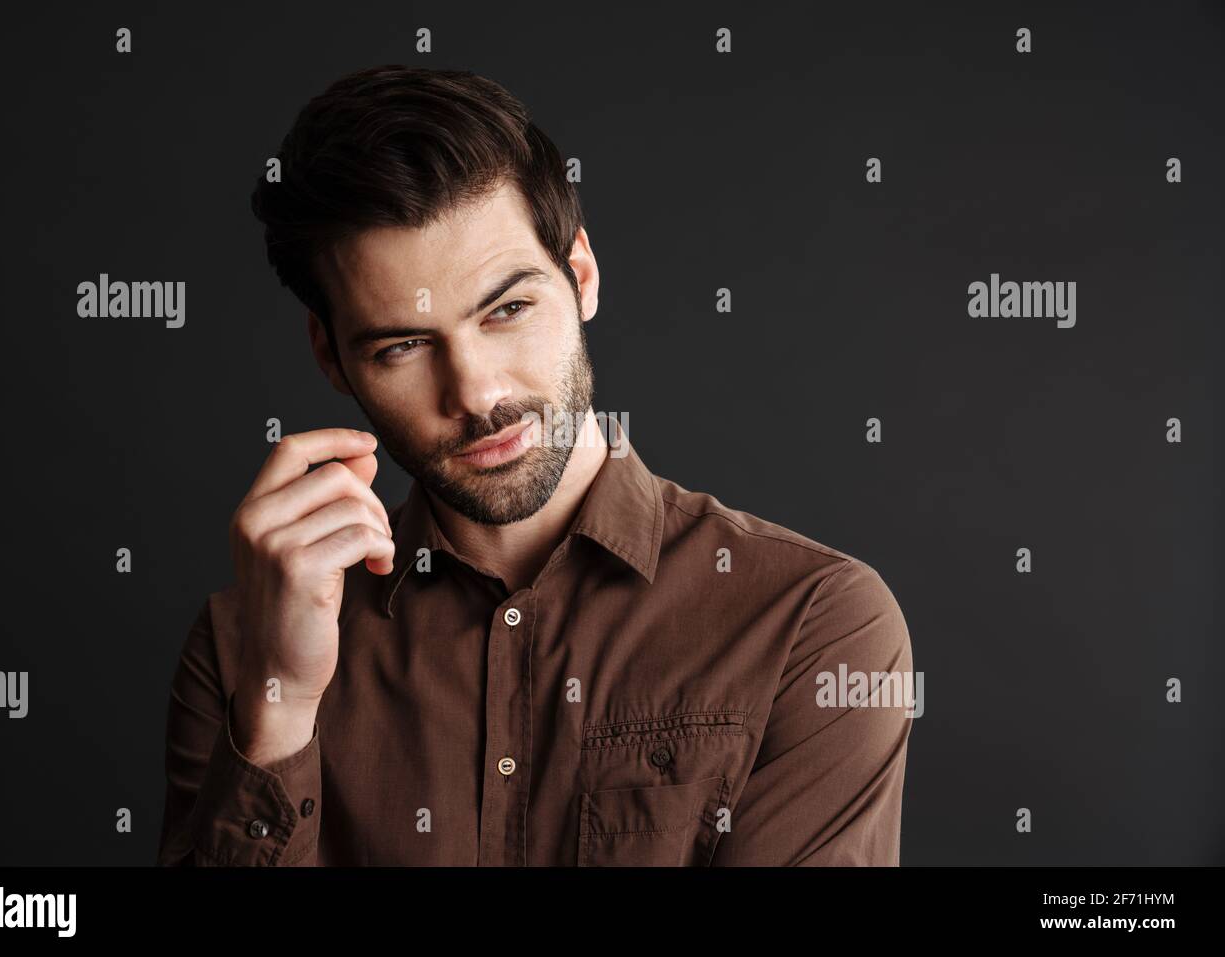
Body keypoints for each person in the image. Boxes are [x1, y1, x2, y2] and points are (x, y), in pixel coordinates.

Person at [158, 65, 915, 866]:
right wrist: (279, 707)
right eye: (404, 347)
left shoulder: (815, 624)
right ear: (332, 358)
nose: (477, 393)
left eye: (507, 309)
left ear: (580, 274)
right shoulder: (245, 650)